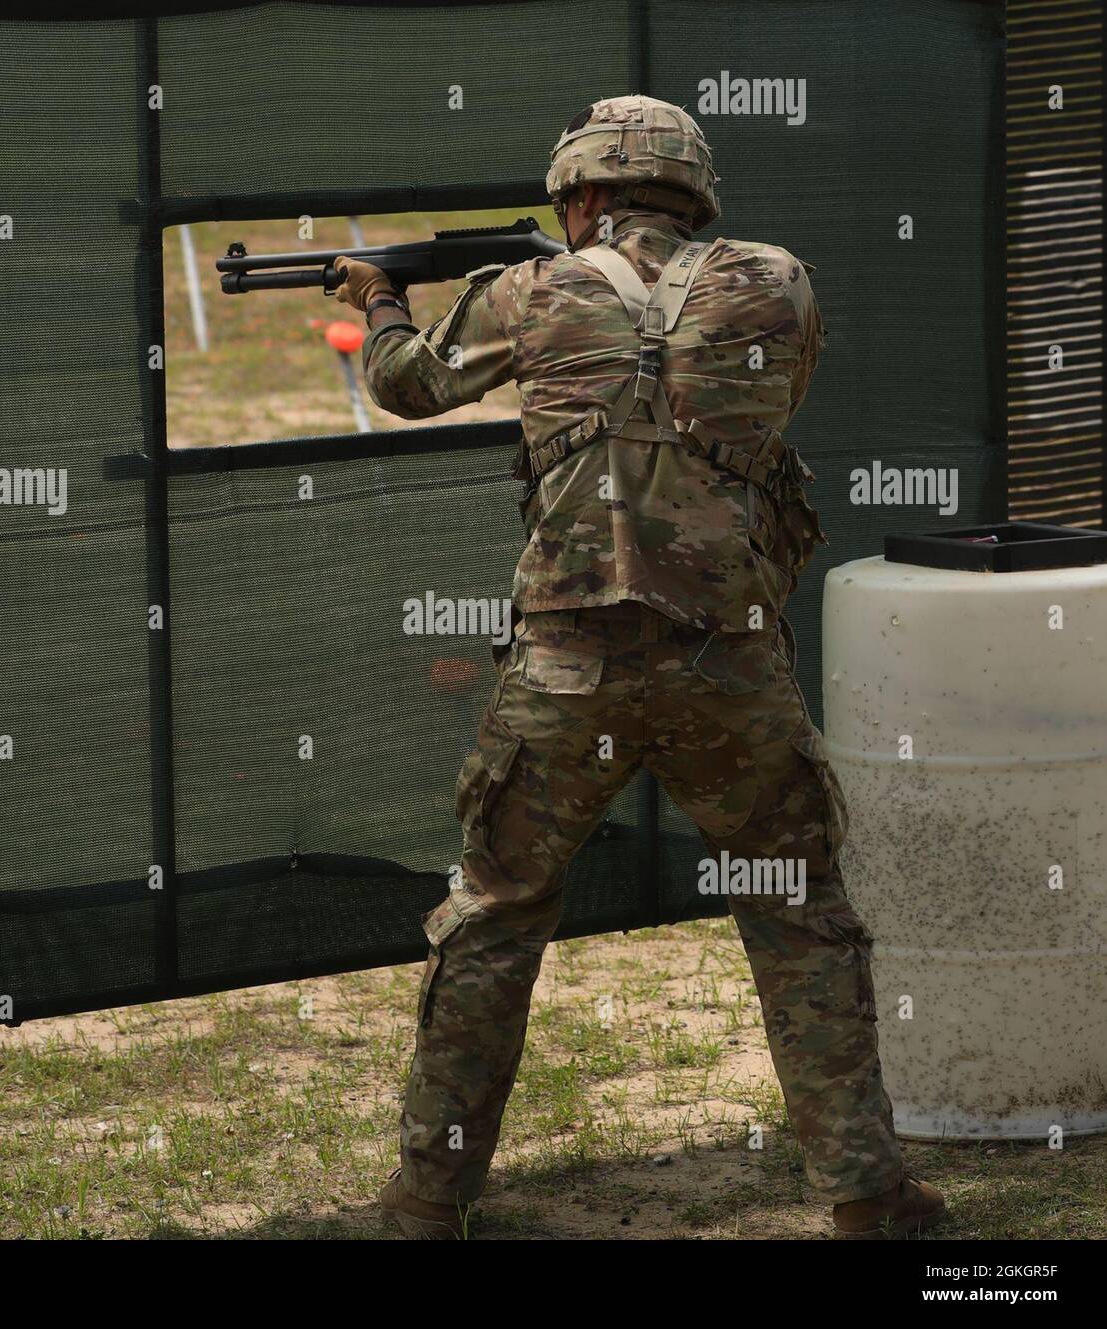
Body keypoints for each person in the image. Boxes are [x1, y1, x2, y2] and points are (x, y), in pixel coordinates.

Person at [332, 95, 946, 1241]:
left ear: (580, 195)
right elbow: (768, 410)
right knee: (798, 915)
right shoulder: (781, 282)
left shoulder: (532, 291)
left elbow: (405, 384)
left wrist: (377, 299)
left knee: (497, 917)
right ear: (693, 189)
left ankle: (426, 1201)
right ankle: (868, 1197)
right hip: (732, 662)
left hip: (570, 667)